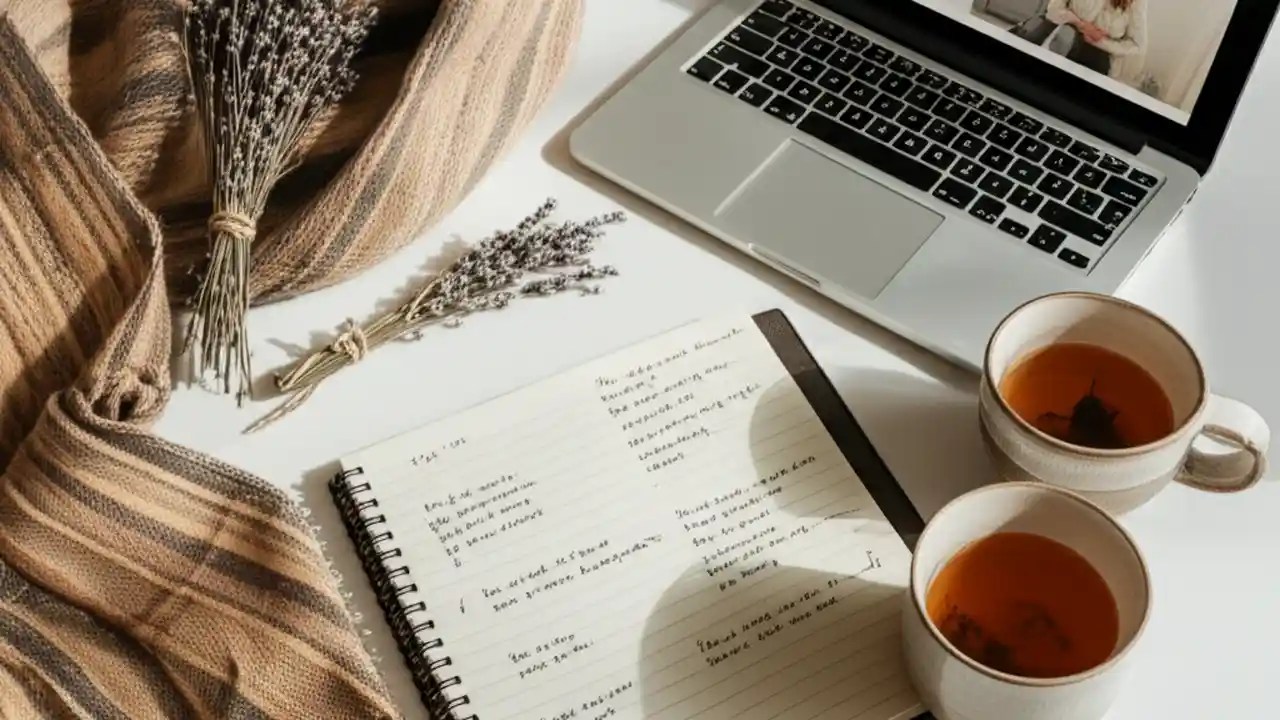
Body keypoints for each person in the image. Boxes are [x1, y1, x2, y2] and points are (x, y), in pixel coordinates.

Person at [1045, 0, 1148, 75]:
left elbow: (1137, 45)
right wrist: (1081, 24)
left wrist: (1100, 41)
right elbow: (1053, 10)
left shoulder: (1137, 2)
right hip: (1065, 41)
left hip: (1100, 59)